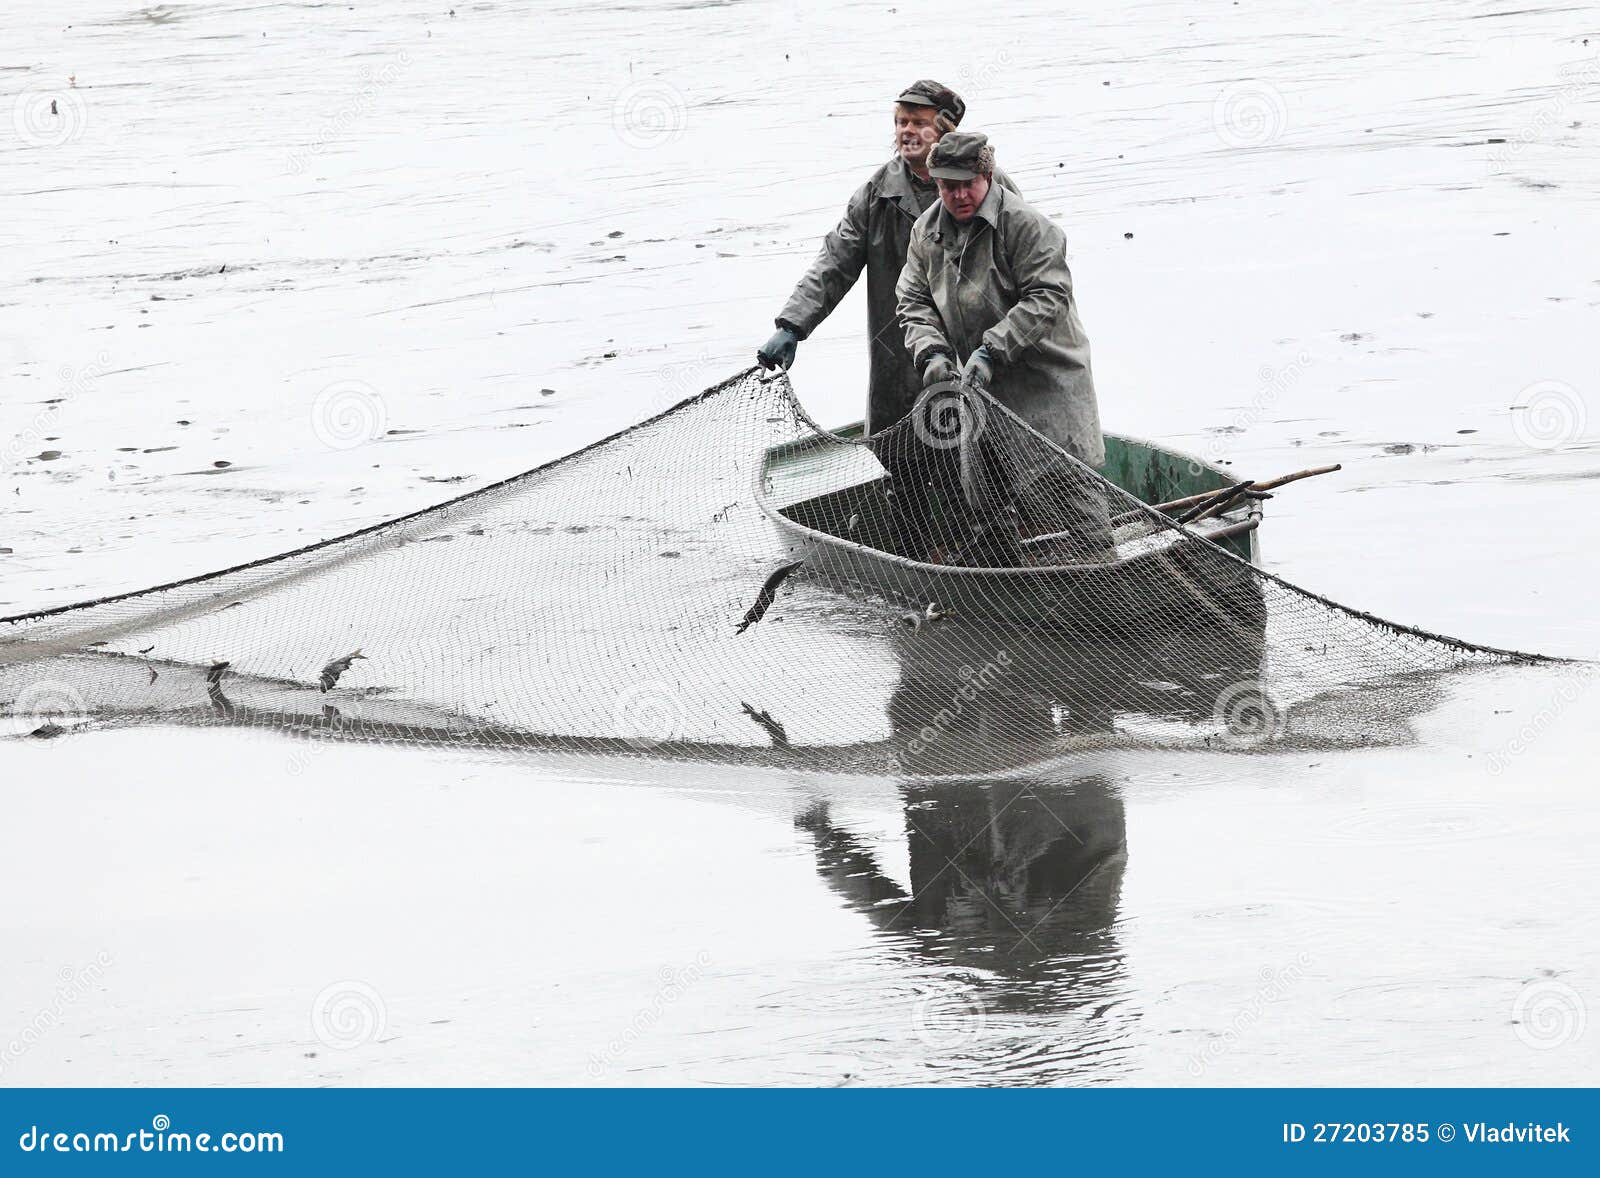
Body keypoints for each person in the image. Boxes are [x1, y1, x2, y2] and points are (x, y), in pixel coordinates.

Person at [896, 130, 1113, 563]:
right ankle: (1004, 579)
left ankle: (1103, 572)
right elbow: (913, 300)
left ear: (988, 176)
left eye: (966, 184)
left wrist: (993, 349)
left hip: (1046, 380)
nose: (957, 195)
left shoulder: (1027, 226)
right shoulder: (926, 233)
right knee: (986, 493)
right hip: (980, 387)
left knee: (1071, 484)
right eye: (946, 185)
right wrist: (932, 352)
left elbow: (1048, 296)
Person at [755, 81, 1018, 435]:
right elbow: (835, 260)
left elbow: (1027, 267)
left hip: (980, 348)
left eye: (919, 122)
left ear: (944, 130)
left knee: (990, 447)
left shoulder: (988, 183)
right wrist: (791, 325)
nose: (907, 131)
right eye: (901, 122)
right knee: (903, 452)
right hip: (901, 350)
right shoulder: (878, 193)